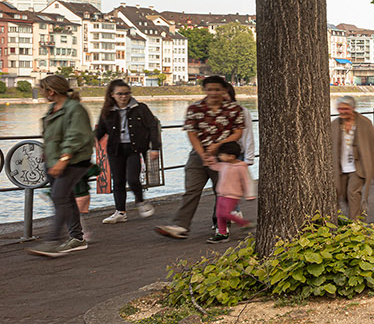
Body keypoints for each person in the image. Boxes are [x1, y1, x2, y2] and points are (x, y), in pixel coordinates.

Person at [156, 76, 245, 240]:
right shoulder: (195, 108)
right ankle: (181, 225)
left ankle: (222, 227)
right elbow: (192, 133)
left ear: (224, 90)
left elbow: (238, 132)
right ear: (204, 90)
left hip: (224, 157)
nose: (213, 93)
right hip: (198, 155)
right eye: (210, 89)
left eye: (217, 89)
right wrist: (202, 153)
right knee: (192, 190)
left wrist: (218, 145)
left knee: (223, 192)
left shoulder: (234, 110)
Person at [29, 74, 95, 257]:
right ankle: (77, 239)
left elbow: (77, 137)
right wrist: (47, 154)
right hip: (54, 161)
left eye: (42, 90)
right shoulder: (53, 108)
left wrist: (63, 160)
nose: (41, 94)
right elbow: (52, 135)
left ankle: (52, 242)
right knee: (66, 198)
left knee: (59, 197)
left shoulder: (75, 109)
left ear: (51, 91)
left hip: (73, 162)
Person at [93, 79, 162, 223]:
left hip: (134, 148)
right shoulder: (108, 111)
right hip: (115, 149)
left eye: (126, 94)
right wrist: (90, 144)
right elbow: (100, 130)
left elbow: (153, 127)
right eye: (120, 94)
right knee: (118, 181)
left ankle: (140, 201)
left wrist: (155, 148)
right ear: (112, 94)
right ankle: (120, 212)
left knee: (132, 179)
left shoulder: (140, 108)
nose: (124, 97)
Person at [333, 96, 374, 219]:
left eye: (345, 109)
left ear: (352, 108)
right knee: (342, 195)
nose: (342, 111)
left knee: (353, 192)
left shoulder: (364, 123)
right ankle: (354, 217)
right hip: (340, 167)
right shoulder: (334, 125)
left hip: (359, 166)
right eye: (340, 109)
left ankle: (355, 225)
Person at [205, 141, 254, 244]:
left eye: (222, 154)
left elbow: (247, 181)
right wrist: (210, 157)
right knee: (219, 214)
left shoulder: (241, 167)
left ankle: (244, 223)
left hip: (233, 194)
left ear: (231, 156)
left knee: (225, 213)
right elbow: (213, 166)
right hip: (221, 193)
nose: (220, 156)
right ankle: (222, 234)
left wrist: (249, 194)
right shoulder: (223, 165)